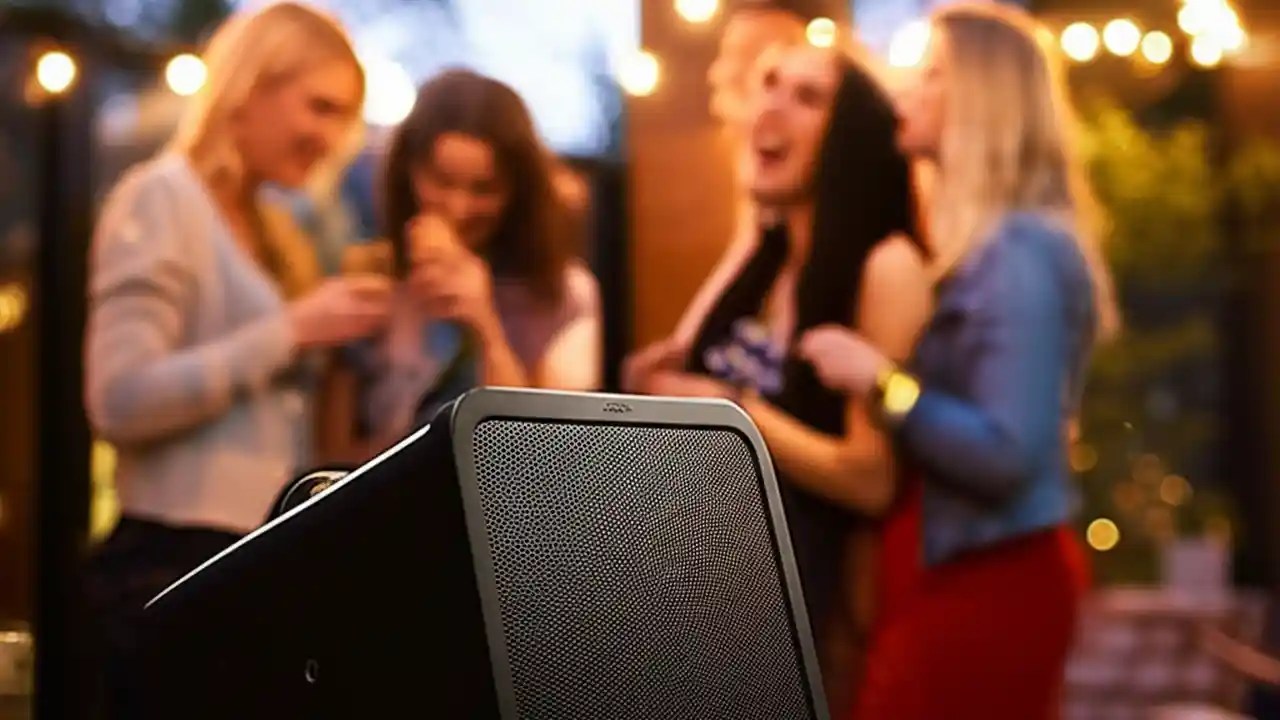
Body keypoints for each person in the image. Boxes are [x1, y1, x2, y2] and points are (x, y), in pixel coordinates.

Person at [796, 5, 1119, 717]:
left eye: (932, 76)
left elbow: (1006, 453)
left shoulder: (1019, 252)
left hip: (990, 579)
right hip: (959, 566)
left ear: (983, 100)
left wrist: (879, 382)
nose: (906, 93)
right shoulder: (994, 249)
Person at [82, 4, 389, 716]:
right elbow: (119, 400)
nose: (331, 137)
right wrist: (291, 329)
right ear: (253, 83)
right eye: (319, 106)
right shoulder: (159, 198)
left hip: (256, 570)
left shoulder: (277, 230)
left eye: (344, 117)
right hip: (170, 570)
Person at [623, 40, 931, 704]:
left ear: (850, 136)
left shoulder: (885, 265)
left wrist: (732, 411)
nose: (772, 106)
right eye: (770, 84)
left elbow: (871, 478)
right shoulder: (766, 257)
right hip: (699, 591)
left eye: (808, 96)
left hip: (796, 619)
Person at [319, 69, 602, 463]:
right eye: (441, 181)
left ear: (517, 191)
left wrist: (484, 322)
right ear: (409, 171)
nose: (458, 207)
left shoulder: (564, 293)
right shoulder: (370, 277)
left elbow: (539, 457)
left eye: (484, 189)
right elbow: (329, 455)